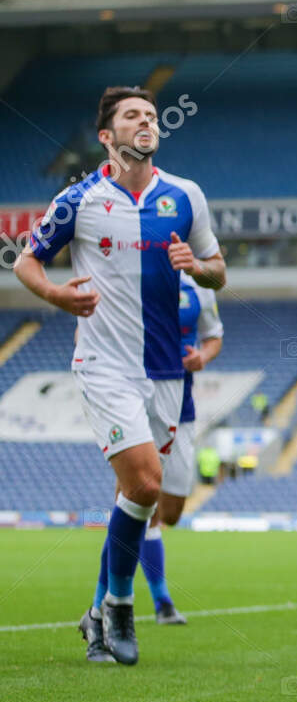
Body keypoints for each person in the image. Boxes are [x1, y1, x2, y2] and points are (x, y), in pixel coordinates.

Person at [14, 86, 225, 665]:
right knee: (146, 484)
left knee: (137, 496)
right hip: (105, 365)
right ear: (107, 136)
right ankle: (121, 604)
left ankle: (96, 614)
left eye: (152, 116)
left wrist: (198, 268)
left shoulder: (185, 196)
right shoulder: (79, 200)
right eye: (133, 116)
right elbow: (25, 258)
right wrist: (56, 293)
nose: (146, 123)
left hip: (164, 372)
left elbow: (219, 272)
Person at [136, 270, 222, 625]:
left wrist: (202, 356)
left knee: (169, 512)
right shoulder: (135, 271)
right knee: (136, 501)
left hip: (182, 407)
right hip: (137, 401)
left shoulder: (198, 286)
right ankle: (143, 603)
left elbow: (213, 337)